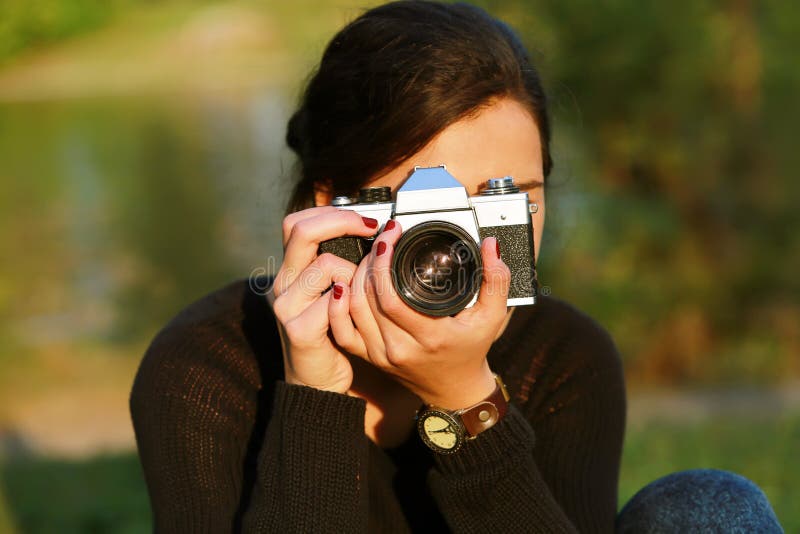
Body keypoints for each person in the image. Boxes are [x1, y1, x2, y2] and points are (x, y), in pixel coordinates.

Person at [129, 2, 783, 532]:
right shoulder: (204, 368)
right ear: (334, 206)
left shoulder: (563, 355)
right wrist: (314, 392)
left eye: (506, 195)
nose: (464, 238)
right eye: (433, 203)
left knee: (709, 512)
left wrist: (468, 400)